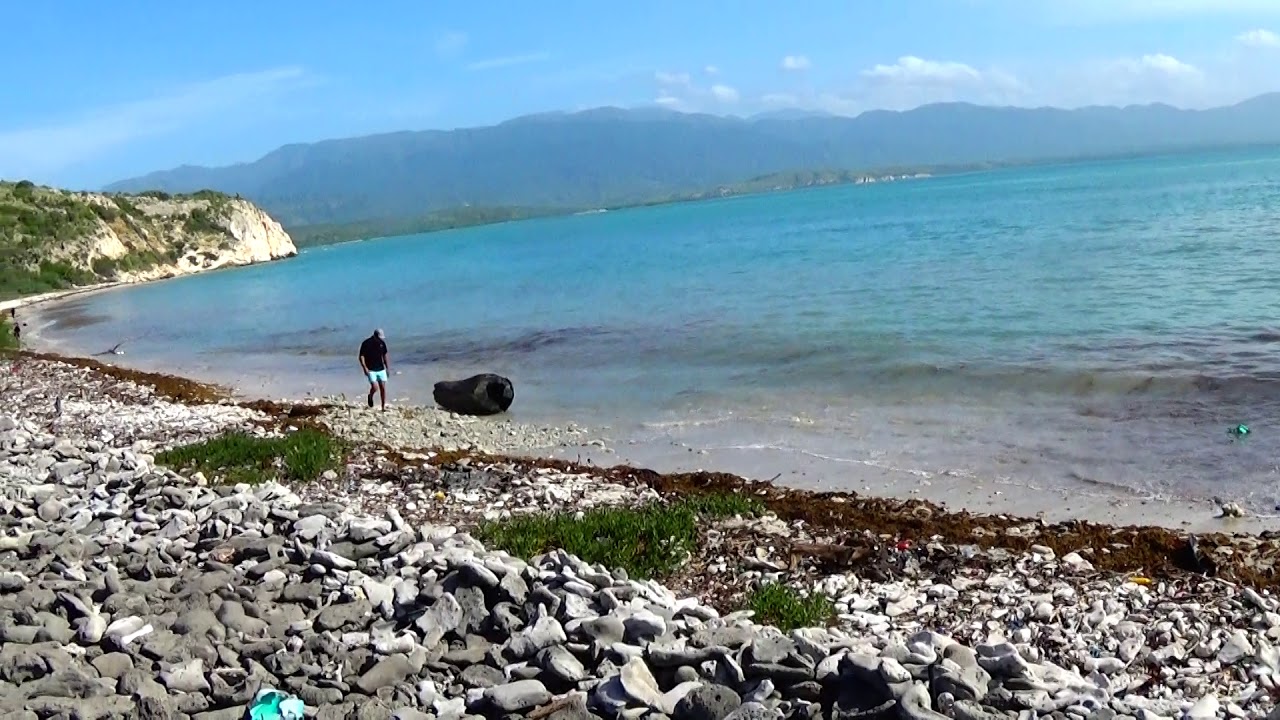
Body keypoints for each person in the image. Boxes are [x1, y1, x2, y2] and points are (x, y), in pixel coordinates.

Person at [358, 328, 389, 410]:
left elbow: (385, 355)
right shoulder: (366, 343)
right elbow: (361, 356)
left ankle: (383, 407)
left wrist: (387, 368)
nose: (380, 339)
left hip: (381, 368)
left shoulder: (382, 343)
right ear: (375, 336)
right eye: (379, 337)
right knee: (375, 387)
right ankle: (370, 396)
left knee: (383, 388)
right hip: (371, 369)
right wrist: (364, 367)